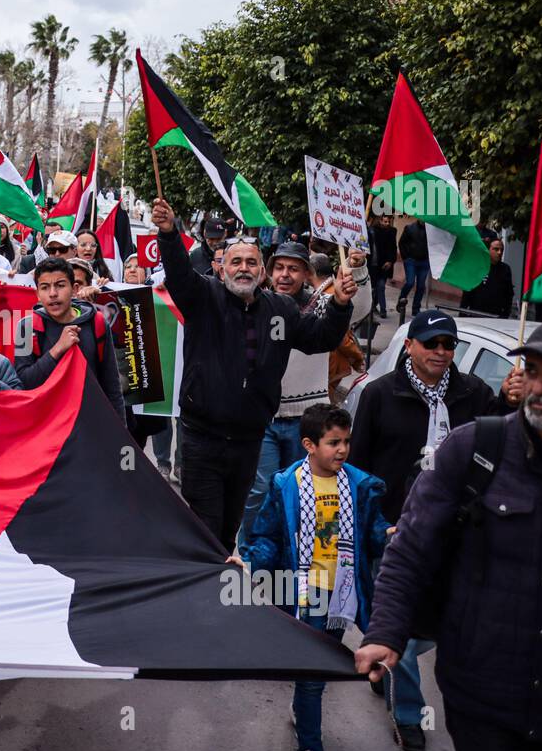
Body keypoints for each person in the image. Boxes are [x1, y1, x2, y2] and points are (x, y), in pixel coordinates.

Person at [356, 316, 542, 751]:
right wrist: (386, 630)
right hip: (481, 697)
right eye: (535, 371)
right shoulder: (473, 451)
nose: (540, 386)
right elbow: (410, 550)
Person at [348, 310, 521, 751]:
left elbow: (499, 441)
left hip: (459, 528)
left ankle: (387, 655)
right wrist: (368, 519)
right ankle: (408, 712)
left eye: (448, 344)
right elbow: (359, 465)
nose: (441, 352)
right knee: (397, 616)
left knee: (448, 618)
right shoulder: (380, 395)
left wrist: (507, 401)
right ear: (410, 346)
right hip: (394, 530)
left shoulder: (474, 393)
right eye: (432, 344)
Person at [151, 197, 357, 552]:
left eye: (251, 262)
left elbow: (321, 338)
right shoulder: (203, 297)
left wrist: (339, 305)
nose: (243, 268)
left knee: (229, 528)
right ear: (221, 269)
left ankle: (221, 587)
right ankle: (204, 596)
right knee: (205, 531)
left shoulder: (281, 308)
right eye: (236, 262)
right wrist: (169, 234)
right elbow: (180, 274)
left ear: (262, 273)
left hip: (248, 440)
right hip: (202, 439)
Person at [239, 405, 390, 751]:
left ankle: (302, 708)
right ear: (309, 444)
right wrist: (249, 561)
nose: (342, 450)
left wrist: (390, 535)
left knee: (317, 674)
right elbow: (269, 536)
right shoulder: (286, 484)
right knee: (312, 678)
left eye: (346, 442)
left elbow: (373, 532)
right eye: (333, 442)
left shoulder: (359, 485)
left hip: (342, 595)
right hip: (306, 594)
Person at [237, 241, 371, 549]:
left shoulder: (323, 306)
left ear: (306, 273)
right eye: (280, 268)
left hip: (307, 421)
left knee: (302, 489)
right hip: (264, 418)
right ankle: (249, 553)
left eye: (294, 269)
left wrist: (358, 267)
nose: (286, 275)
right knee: (260, 488)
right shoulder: (255, 306)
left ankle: (291, 552)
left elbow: (358, 307)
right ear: (269, 273)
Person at [14, 257, 126, 421]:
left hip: (88, 427)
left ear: (74, 289)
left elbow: (112, 385)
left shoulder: (98, 322)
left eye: (60, 285)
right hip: (46, 429)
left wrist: (119, 435)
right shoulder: (25, 327)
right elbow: (24, 382)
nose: (53, 293)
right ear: (37, 294)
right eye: (45, 287)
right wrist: (57, 350)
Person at [460, 237, 514, 318]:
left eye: (501, 250)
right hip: (476, 315)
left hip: (496, 316)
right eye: (496, 249)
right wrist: (462, 314)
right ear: (488, 250)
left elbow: (509, 294)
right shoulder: (478, 266)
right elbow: (467, 292)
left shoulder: (505, 269)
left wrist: (505, 314)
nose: (499, 252)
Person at [395, 219, 430, 317]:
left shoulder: (430, 230)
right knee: (410, 282)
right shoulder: (410, 228)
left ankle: (416, 309)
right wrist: (406, 257)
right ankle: (401, 299)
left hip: (424, 261)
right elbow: (401, 243)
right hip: (411, 260)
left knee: (421, 286)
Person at [369, 213, 397, 319]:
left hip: (384, 265)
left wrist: (390, 261)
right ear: (380, 221)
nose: (387, 224)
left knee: (380, 286)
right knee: (374, 288)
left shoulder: (392, 232)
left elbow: (393, 248)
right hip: (373, 265)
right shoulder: (372, 231)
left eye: (388, 222)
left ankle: (383, 310)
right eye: (385, 221)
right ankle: (373, 306)